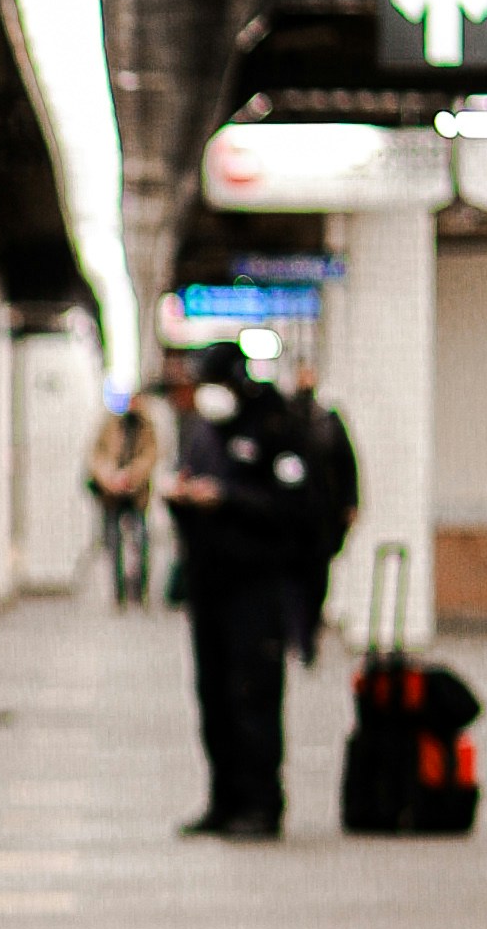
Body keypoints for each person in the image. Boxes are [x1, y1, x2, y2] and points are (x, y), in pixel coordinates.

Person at [162, 343, 315, 839]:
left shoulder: (274, 427)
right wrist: (182, 499)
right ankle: (223, 800)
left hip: (256, 585)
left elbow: (291, 509)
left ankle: (262, 804)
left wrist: (226, 498)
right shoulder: (205, 433)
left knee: (253, 694)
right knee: (214, 695)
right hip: (209, 584)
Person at [284, 362, 360, 660]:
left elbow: (347, 464)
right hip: (291, 518)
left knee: (317, 580)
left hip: (321, 517)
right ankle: (296, 634)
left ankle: (309, 633)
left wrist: (350, 503)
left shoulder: (328, 421)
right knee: (292, 578)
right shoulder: (286, 420)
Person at [85, 389, 160, 607]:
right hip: (111, 495)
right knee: (113, 542)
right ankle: (119, 592)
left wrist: (131, 476)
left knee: (141, 540)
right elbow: (96, 454)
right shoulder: (110, 424)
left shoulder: (147, 427)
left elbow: (151, 455)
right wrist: (108, 477)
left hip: (135, 494)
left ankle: (139, 589)